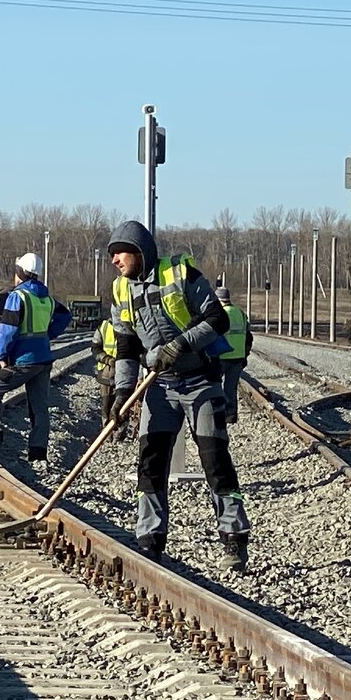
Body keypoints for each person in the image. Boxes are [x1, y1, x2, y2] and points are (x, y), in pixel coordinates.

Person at [107, 220, 251, 572]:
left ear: (140, 251)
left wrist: (180, 344)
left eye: (119, 253)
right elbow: (125, 347)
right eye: (111, 255)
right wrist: (123, 393)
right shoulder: (121, 291)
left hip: (200, 379)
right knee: (150, 462)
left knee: (214, 458)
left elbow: (216, 319)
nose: (114, 261)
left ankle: (234, 535)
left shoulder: (181, 274)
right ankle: (150, 539)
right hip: (158, 386)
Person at [0, 252, 72, 461]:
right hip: (43, 360)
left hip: (23, 360)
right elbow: (65, 315)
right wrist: (48, 335)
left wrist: (2, 355)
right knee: (39, 407)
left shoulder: (17, 296)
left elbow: (8, 330)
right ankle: (38, 451)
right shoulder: (47, 298)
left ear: (20, 272)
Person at [215, 287, 253, 424]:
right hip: (237, 358)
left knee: (215, 386)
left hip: (221, 357)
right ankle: (230, 416)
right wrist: (245, 355)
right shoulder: (241, 314)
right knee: (231, 388)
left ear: (218, 300)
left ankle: (217, 414)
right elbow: (248, 337)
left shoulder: (219, 314)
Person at [90, 317, 118, 431]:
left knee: (122, 403)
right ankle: (107, 432)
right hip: (106, 373)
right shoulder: (104, 327)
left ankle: (119, 433)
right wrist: (106, 359)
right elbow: (95, 348)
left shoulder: (131, 325)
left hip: (125, 373)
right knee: (106, 403)